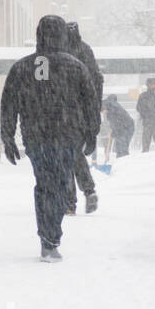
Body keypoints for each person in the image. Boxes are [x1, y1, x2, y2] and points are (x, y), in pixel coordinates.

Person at [0, 15, 100, 261]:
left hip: (36, 137)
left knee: (44, 184)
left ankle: (47, 236)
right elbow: (91, 102)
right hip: (67, 135)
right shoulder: (75, 66)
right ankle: (50, 236)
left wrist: (8, 136)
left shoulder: (22, 67)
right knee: (60, 185)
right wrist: (91, 133)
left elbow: (9, 103)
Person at [64, 22, 103, 215]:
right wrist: (94, 117)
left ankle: (70, 201)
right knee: (75, 154)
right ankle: (88, 190)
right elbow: (96, 81)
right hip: (81, 114)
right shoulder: (85, 50)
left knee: (65, 157)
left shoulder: (58, 51)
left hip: (61, 113)